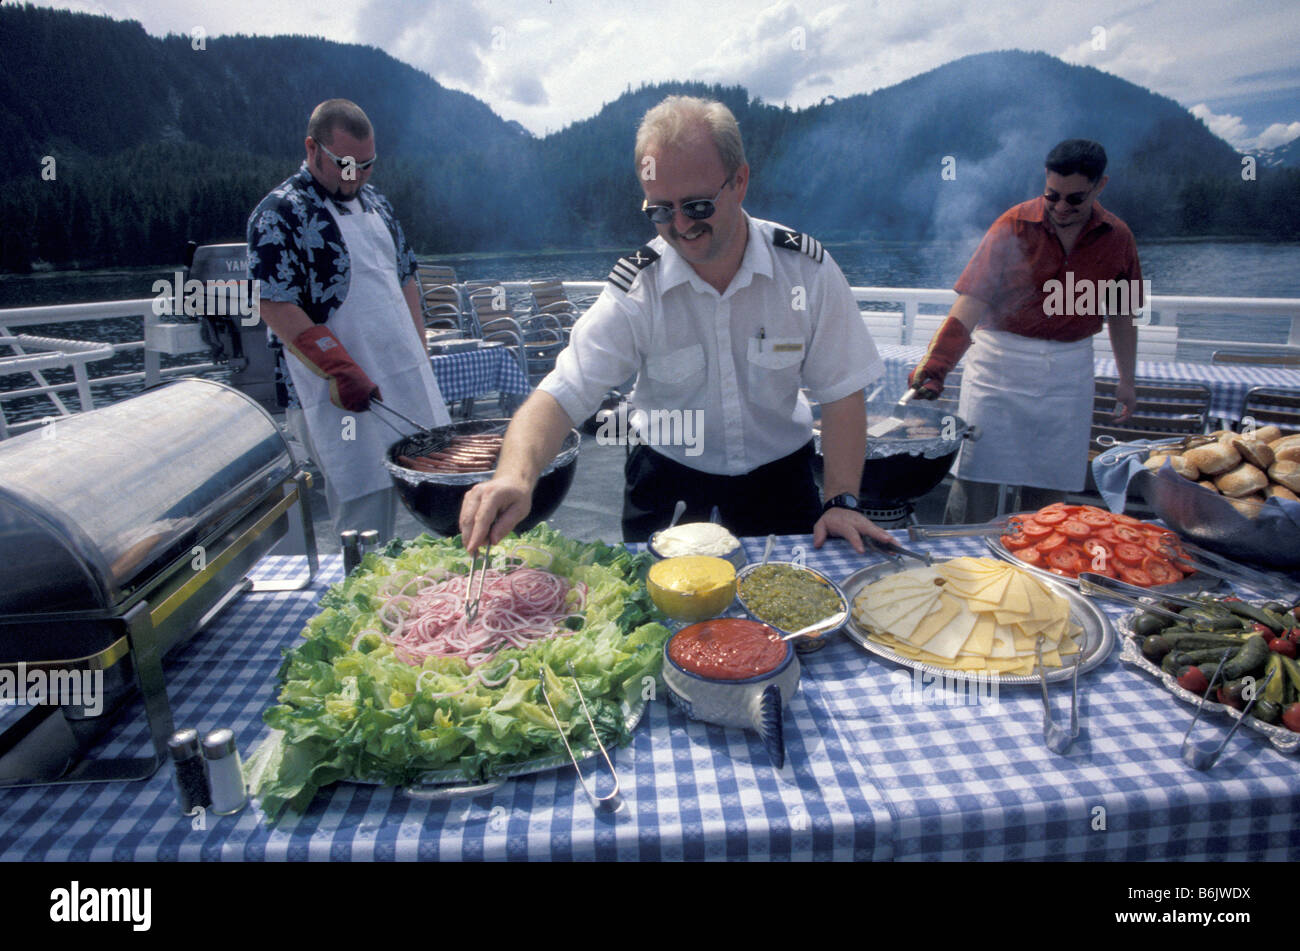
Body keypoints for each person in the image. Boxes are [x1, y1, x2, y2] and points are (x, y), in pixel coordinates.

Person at [460, 95, 893, 553]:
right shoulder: (638, 286)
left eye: (698, 205)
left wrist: (842, 499)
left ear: (740, 181)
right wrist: (514, 477)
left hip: (781, 483)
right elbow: (563, 393)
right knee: (658, 618)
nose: (681, 225)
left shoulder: (805, 269)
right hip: (668, 485)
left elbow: (842, 390)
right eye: (661, 210)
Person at [247, 98, 449, 542]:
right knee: (366, 515)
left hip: (403, 375)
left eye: (366, 165)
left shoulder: (377, 203)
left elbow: (406, 278)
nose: (354, 176)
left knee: (438, 493)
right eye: (344, 164)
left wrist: (420, 350)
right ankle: (366, 599)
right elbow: (274, 303)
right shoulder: (280, 212)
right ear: (312, 148)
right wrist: (341, 369)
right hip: (334, 391)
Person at [908, 139, 1140, 524]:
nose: (1062, 207)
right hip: (1000, 365)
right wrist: (936, 367)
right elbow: (972, 300)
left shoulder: (1118, 237)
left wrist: (1127, 381)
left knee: (1049, 491)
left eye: (1075, 199)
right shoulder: (1013, 224)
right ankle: (961, 562)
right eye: (1053, 195)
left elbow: (1122, 315)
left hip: (1068, 373)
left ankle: (1036, 572)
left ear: (1101, 186)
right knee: (975, 481)